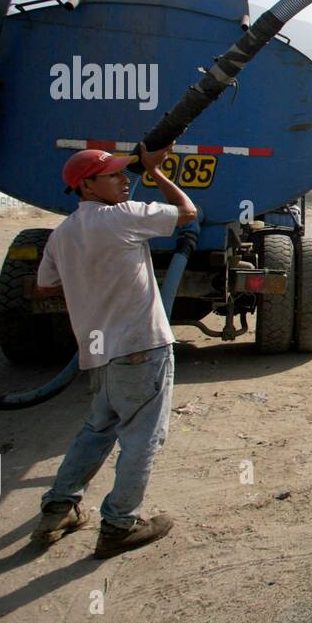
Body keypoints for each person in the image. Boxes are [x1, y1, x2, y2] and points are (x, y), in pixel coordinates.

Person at [30, 144, 197, 559]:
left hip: (98, 351)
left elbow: (44, 285)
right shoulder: (122, 217)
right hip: (141, 344)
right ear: (86, 185)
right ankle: (120, 524)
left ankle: (58, 509)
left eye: (127, 174)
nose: (125, 180)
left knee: (98, 429)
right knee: (142, 438)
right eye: (114, 175)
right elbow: (188, 213)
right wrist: (157, 173)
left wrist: (88, 280)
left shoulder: (63, 234)